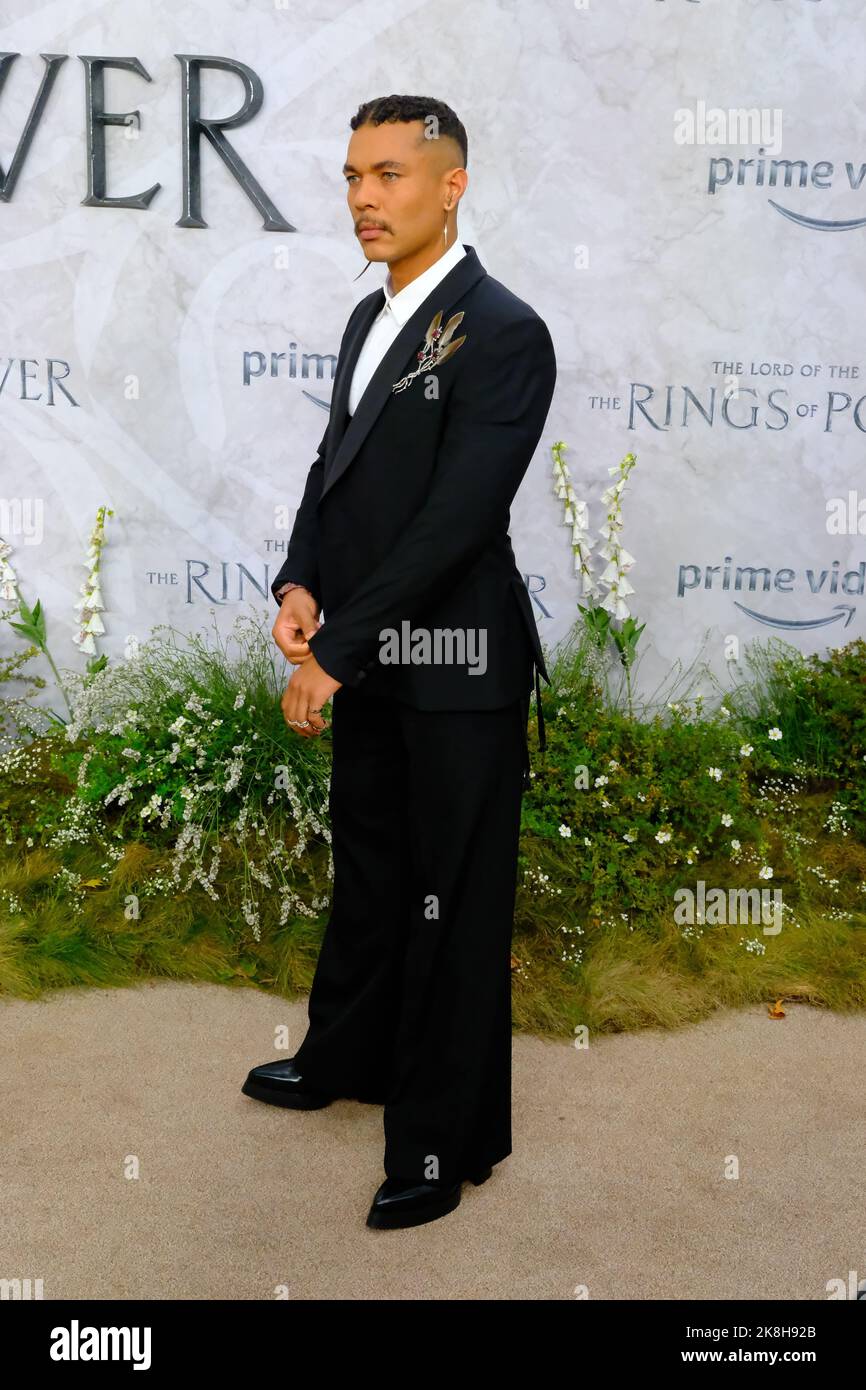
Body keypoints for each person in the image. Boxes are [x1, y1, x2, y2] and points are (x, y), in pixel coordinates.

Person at [242, 94, 557, 1230]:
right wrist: (298, 582)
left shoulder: (504, 329)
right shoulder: (365, 318)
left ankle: (439, 1140)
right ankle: (343, 1057)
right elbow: (336, 470)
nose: (363, 198)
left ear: (450, 184)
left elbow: (452, 523)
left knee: (451, 905)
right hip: (367, 650)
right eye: (350, 177)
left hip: (457, 666)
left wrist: (330, 652)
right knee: (372, 870)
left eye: (387, 174)